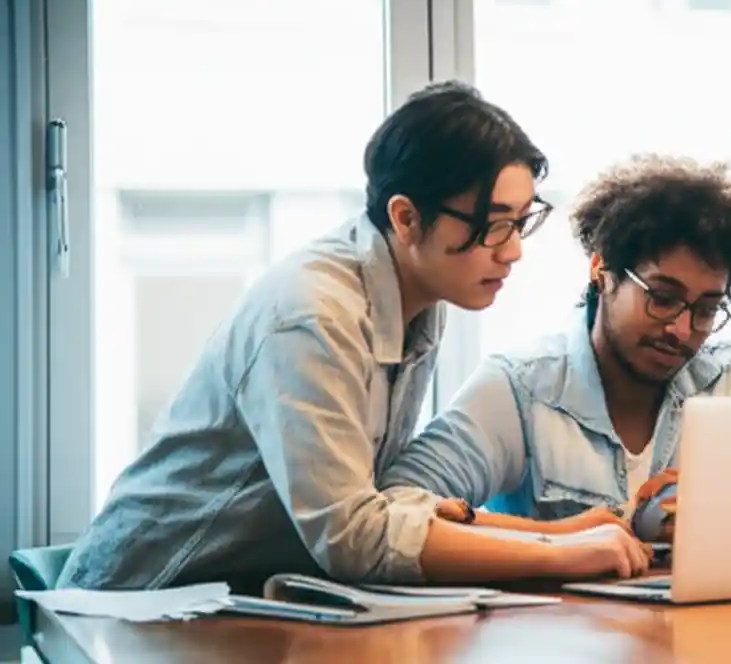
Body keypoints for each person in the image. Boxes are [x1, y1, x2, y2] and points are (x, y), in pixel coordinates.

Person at [58, 82, 652, 592]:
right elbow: (354, 537)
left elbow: (382, 506)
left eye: (521, 223)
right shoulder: (314, 314)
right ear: (405, 217)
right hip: (137, 602)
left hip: (233, 599)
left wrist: (559, 531)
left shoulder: (415, 296)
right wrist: (560, 554)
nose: (515, 250)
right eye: (493, 227)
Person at [383, 154, 731, 534]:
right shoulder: (523, 389)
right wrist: (564, 536)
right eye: (661, 298)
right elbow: (397, 506)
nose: (682, 329)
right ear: (601, 271)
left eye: (706, 309)